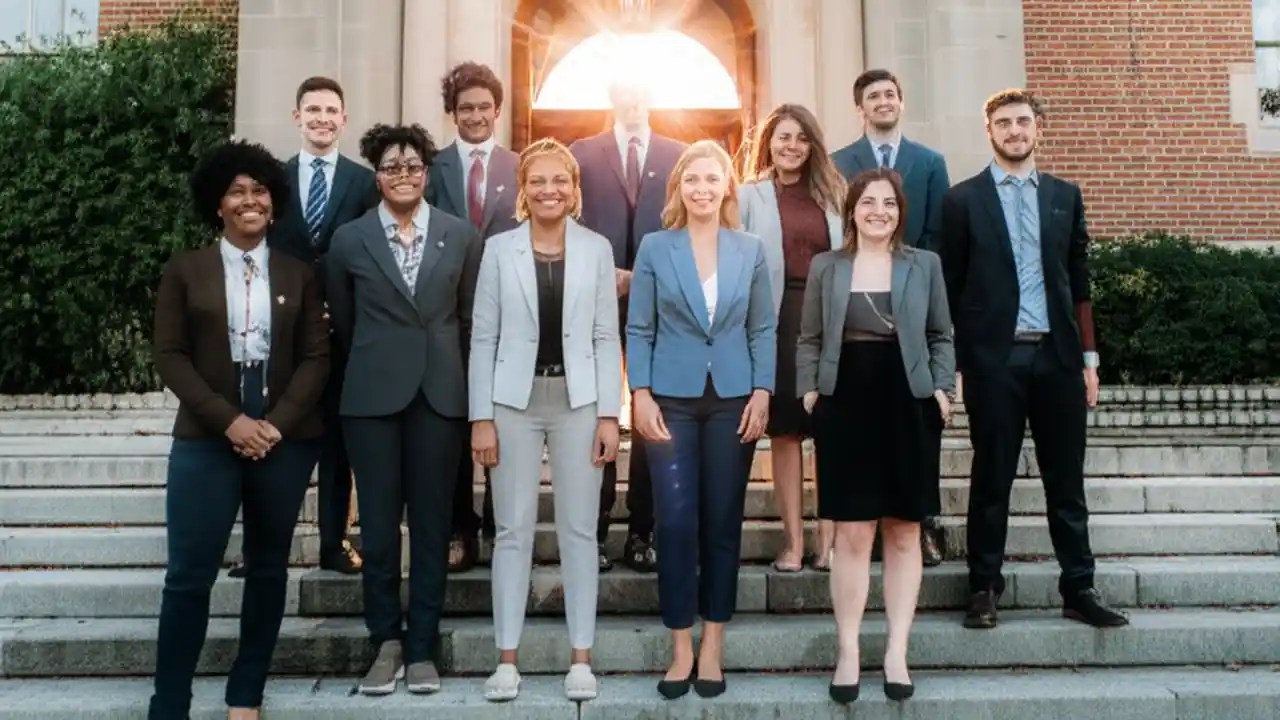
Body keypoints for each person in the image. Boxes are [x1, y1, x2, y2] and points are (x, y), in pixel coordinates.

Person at [149, 140, 329, 720]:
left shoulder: (300, 274)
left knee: (269, 566)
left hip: (284, 438)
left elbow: (317, 358)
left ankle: (245, 695)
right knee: (188, 574)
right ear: (217, 204)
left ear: (273, 205)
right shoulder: (185, 269)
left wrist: (273, 426)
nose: (249, 201)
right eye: (237, 191)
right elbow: (170, 355)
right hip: (207, 435)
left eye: (260, 191)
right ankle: (169, 700)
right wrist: (230, 422)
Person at [939, 89, 1129, 632]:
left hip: (1059, 360)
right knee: (991, 478)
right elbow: (950, 287)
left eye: (1023, 121)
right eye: (1003, 122)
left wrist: (1089, 358)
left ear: (1038, 128)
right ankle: (984, 587)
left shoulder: (1065, 196)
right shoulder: (961, 200)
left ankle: (1079, 587)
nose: (1014, 130)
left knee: (1066, 480)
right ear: (990, 131)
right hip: (993, 363)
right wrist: (952, 362)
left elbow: (1080, 282)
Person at [325, 123, 483, 696]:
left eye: (413, 165)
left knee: (434, 523)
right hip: (371, 399)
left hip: (440, 396)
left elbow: (468, 322)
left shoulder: (461, 236)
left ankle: (422, 647)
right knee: (381, 529)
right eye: (391, 166)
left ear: (426, 171)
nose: (404, 175)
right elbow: (343, 321)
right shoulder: (349, 239)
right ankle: (385, 641)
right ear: (377, 173)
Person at [469, 138, 622, 702]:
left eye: (560, 180)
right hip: (512, 404)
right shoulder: (498, 250)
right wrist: (479, 417)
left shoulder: (598, 249)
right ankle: (506, 660)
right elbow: (483, 336)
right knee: (511, 531)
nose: (549, 190)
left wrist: (611, 413)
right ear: (523, 190)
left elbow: (607, 335)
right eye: (539, 181)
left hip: (579, 404)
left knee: (580, 531)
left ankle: (581, 658)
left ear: (574, 189)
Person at [796, 168, 954, 704]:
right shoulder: (827, 266)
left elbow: (940, 334)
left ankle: (896, 652)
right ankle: (848, 651)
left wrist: (942, 389)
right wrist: (810, 392)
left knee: (905, 530)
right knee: (854, 533)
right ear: (853, 209)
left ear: (900, 212)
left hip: (907, 400)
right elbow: (810, 337)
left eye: (889, 202)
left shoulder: (924, 265)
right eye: (869, 201)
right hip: (846, 400)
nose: (879, 210)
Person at [627, 140, 776, 700]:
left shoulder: (750, 248)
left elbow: (762, 327)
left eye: (713, 180)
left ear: (727, 188)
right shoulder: (655, 248)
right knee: (676, 521)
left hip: (733, 397)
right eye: (692, 180)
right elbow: (639, 328)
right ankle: (680, 646)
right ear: (679, 189)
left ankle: (713, 642)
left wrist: (763, 391)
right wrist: (638, 394)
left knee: (721, 519)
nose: (703, 189)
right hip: (671, 398)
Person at [830, 69, 951, 565]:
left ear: (901, 102)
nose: (882, 102)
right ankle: (863, 522)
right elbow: (838, 233)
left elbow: (940, 233)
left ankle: (923, 519)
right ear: (860, 108)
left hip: (915, 305)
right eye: (873, 96)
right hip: (861, 306)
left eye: (889, 94)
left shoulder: (929, 162)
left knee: (921, 420)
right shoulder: (839, 162)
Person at [262, 76, 378, 578]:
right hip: (283, 334)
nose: (322, 119)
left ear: (344, 119)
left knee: (336, 444)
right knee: (275, 439)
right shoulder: (273, 181)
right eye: (313, 110)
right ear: (297, 117)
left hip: (342, 334)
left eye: (331, 110)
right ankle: (263, 549)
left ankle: (335, 542)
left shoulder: (362, 181)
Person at [570, 80, 685, 573]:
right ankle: (593, 534)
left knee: (652, 416)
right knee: (597, 413)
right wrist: (603, 272)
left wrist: (654, 276)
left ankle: (644, 530)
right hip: (596, 297)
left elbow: (689, 220)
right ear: (612, 97)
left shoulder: (678, 154)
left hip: (662, 304)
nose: (634, 100)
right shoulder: (582, 152)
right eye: (625, 91)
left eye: (643, 91)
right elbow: (568, 215)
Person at [738, 103, 844, 574]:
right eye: (783, 137)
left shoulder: (835, 195)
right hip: (775, 321)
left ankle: (830, 543)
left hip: (828, 320)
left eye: (801, 138)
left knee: (828, 433)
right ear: (769, 142)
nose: (792, 147)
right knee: (785, 433)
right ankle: (793, 544)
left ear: (813, 145)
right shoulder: (749, 196)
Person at [427, 62, 521, 573]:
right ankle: (460, 528)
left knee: (501, 424)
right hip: (445, 319)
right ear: (453, 113)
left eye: (485, 107)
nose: (476, 116)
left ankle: (498, 524)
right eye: (466, 108)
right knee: (454, 427)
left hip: (508, 320)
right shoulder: (432, 167)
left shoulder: (518, 165)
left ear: (498, 110)